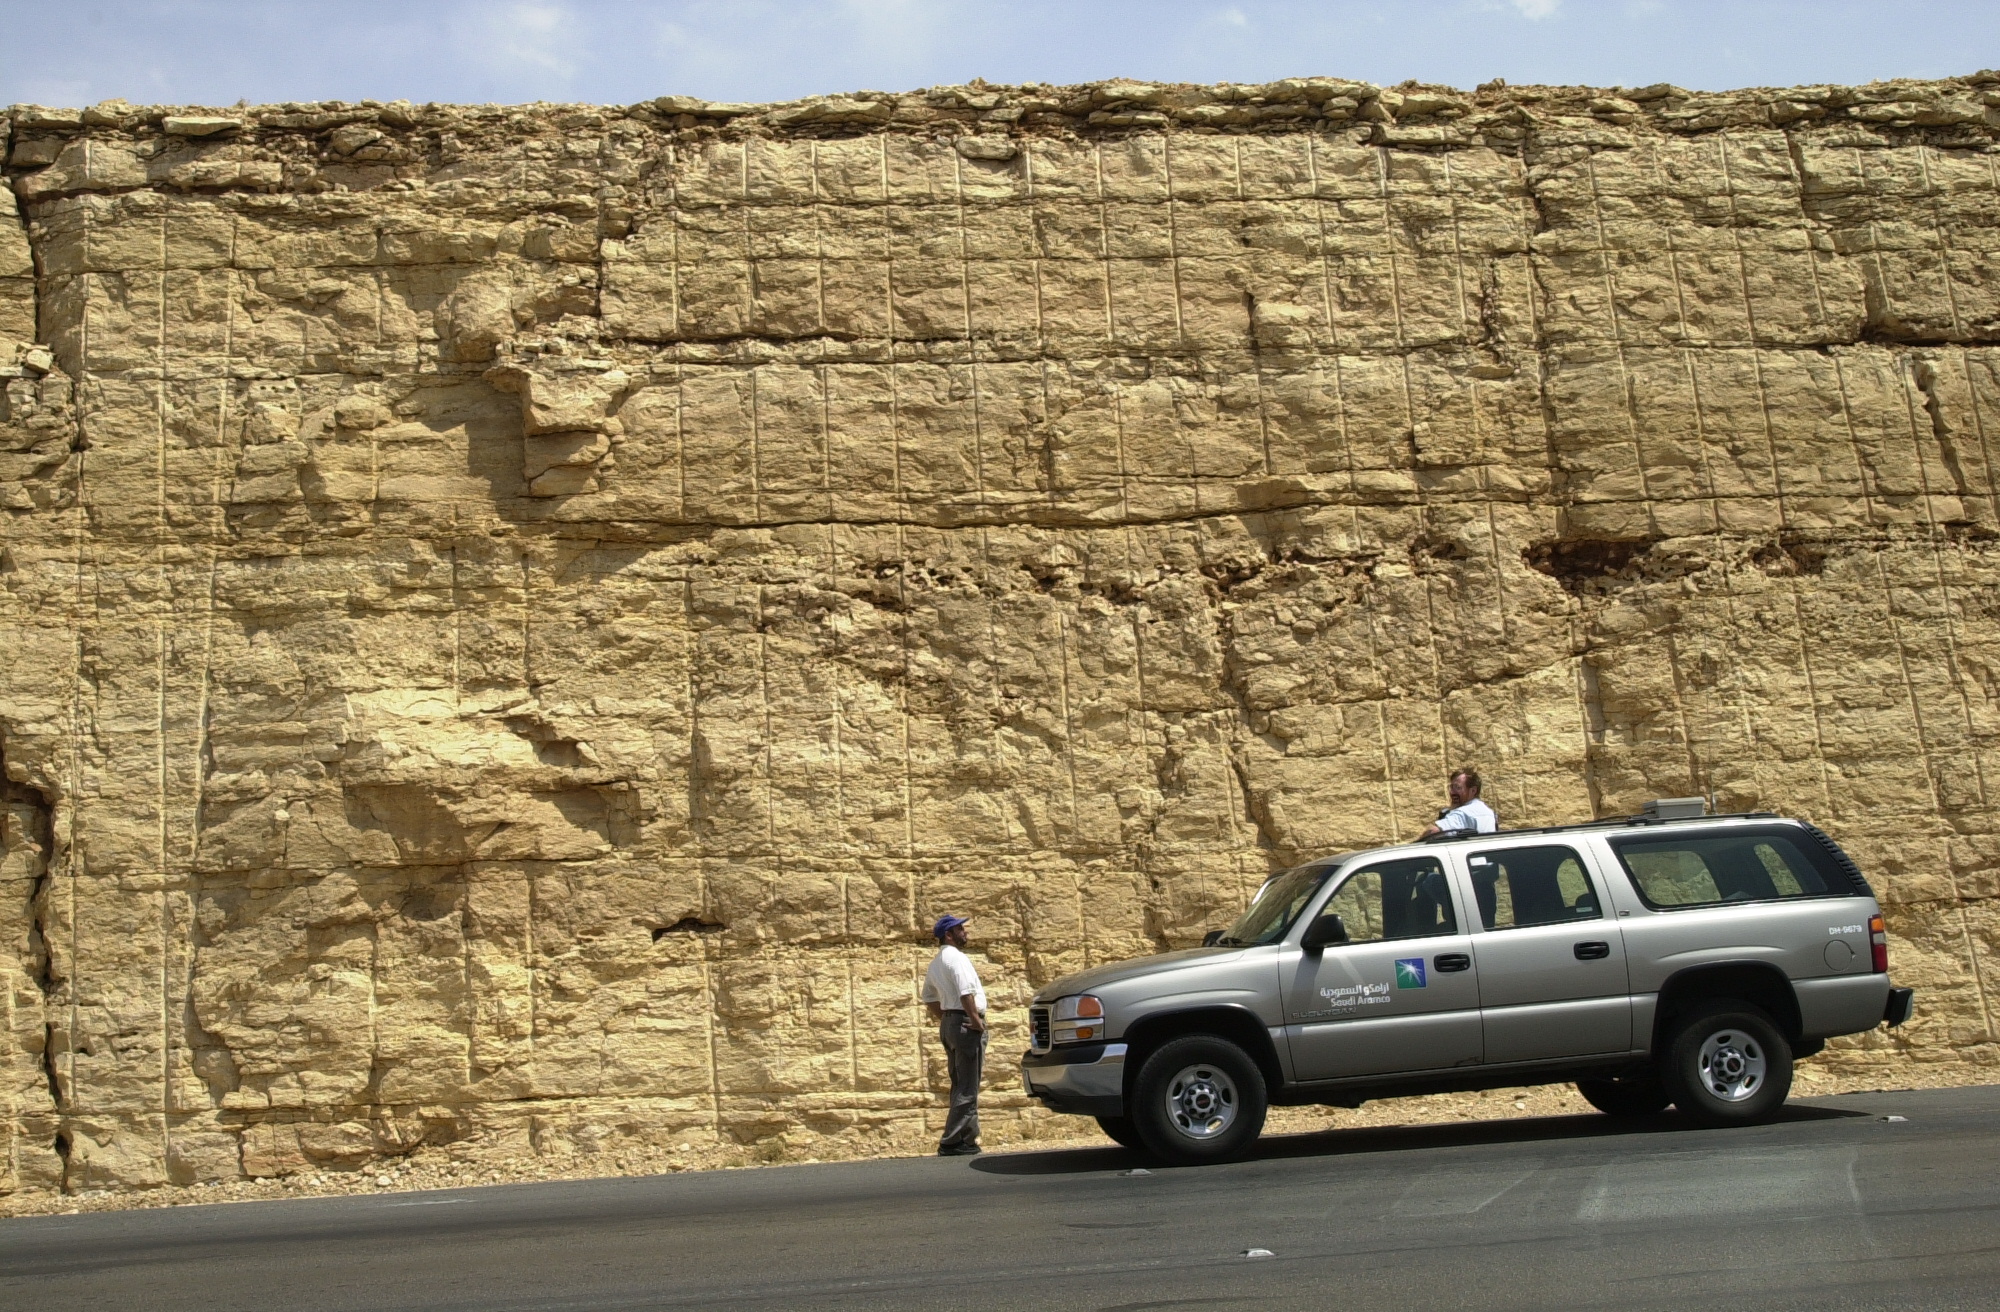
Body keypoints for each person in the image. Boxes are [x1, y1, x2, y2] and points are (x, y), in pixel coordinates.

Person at [921, 914, 987, 1156]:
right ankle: (951, 1141)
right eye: (960, 929)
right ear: (948, 934)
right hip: (966, 1022)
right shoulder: (956, 959)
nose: (965, 933)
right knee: (968, 1085)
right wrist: (975, 1021)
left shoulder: (936, 962)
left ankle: (966, 1139)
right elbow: (966, 992)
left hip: (951, 1022)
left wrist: (948, 1018)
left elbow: (928, 997)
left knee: (960, 1082)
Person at [1423, 766, 1498, 836]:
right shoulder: (1488, 812)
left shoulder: (1463, 813)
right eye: (1451, 787)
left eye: (1457, 787)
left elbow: (1432, 832)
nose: (1452, 792)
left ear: (1473, 791)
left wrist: (1416, 844)